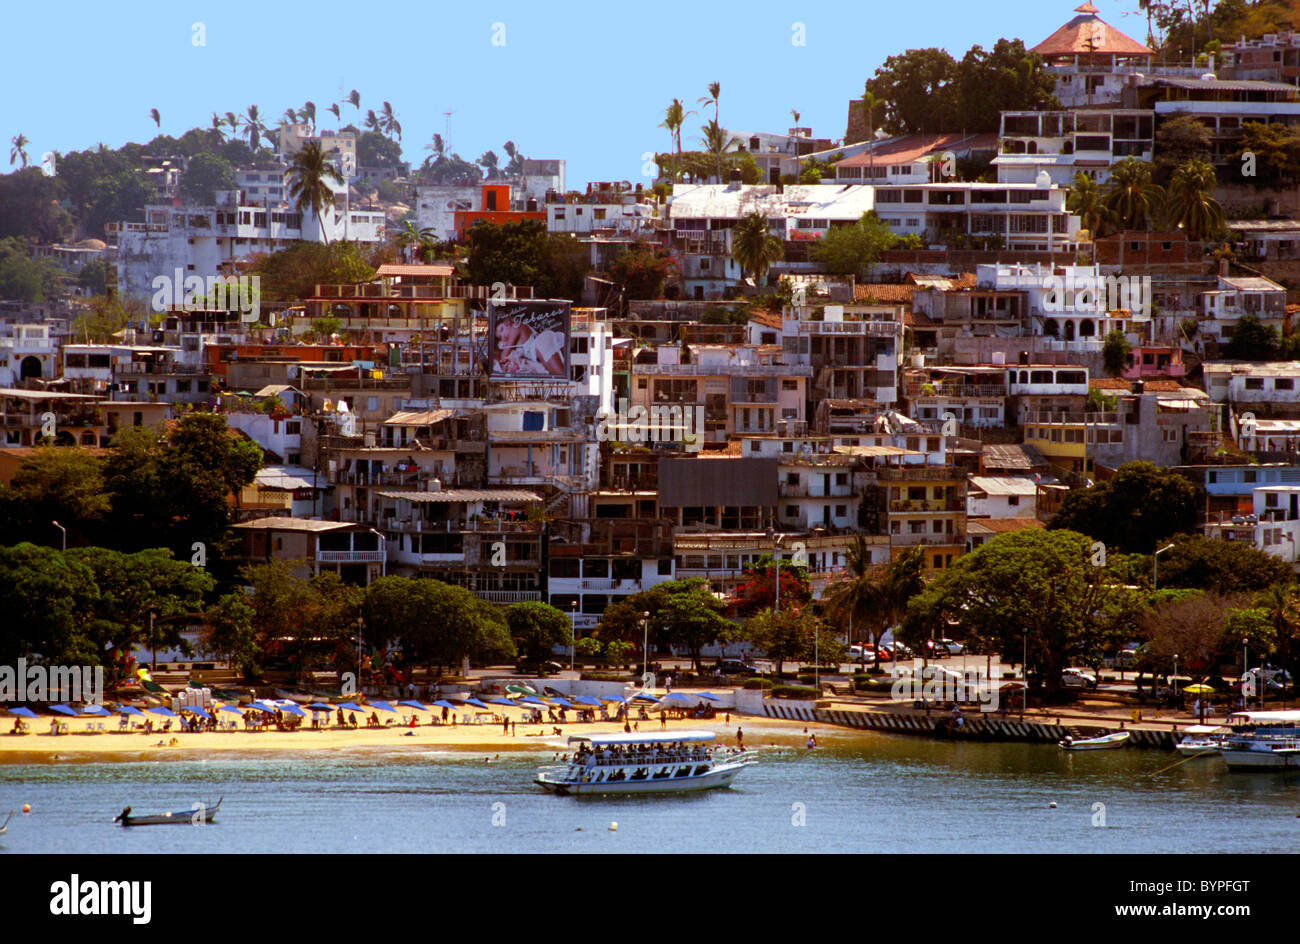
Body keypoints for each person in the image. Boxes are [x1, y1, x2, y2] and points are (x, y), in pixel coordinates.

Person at [493, 314, 565, 377]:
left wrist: (503, 347)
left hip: (542, 342)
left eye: (502, 329)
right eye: (500, 337)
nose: (503, 335)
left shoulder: (516, 327)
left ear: (507, 322)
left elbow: (503, 356)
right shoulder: (513, 342)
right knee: (556, 376)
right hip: (538, 352)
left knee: (560, 375)